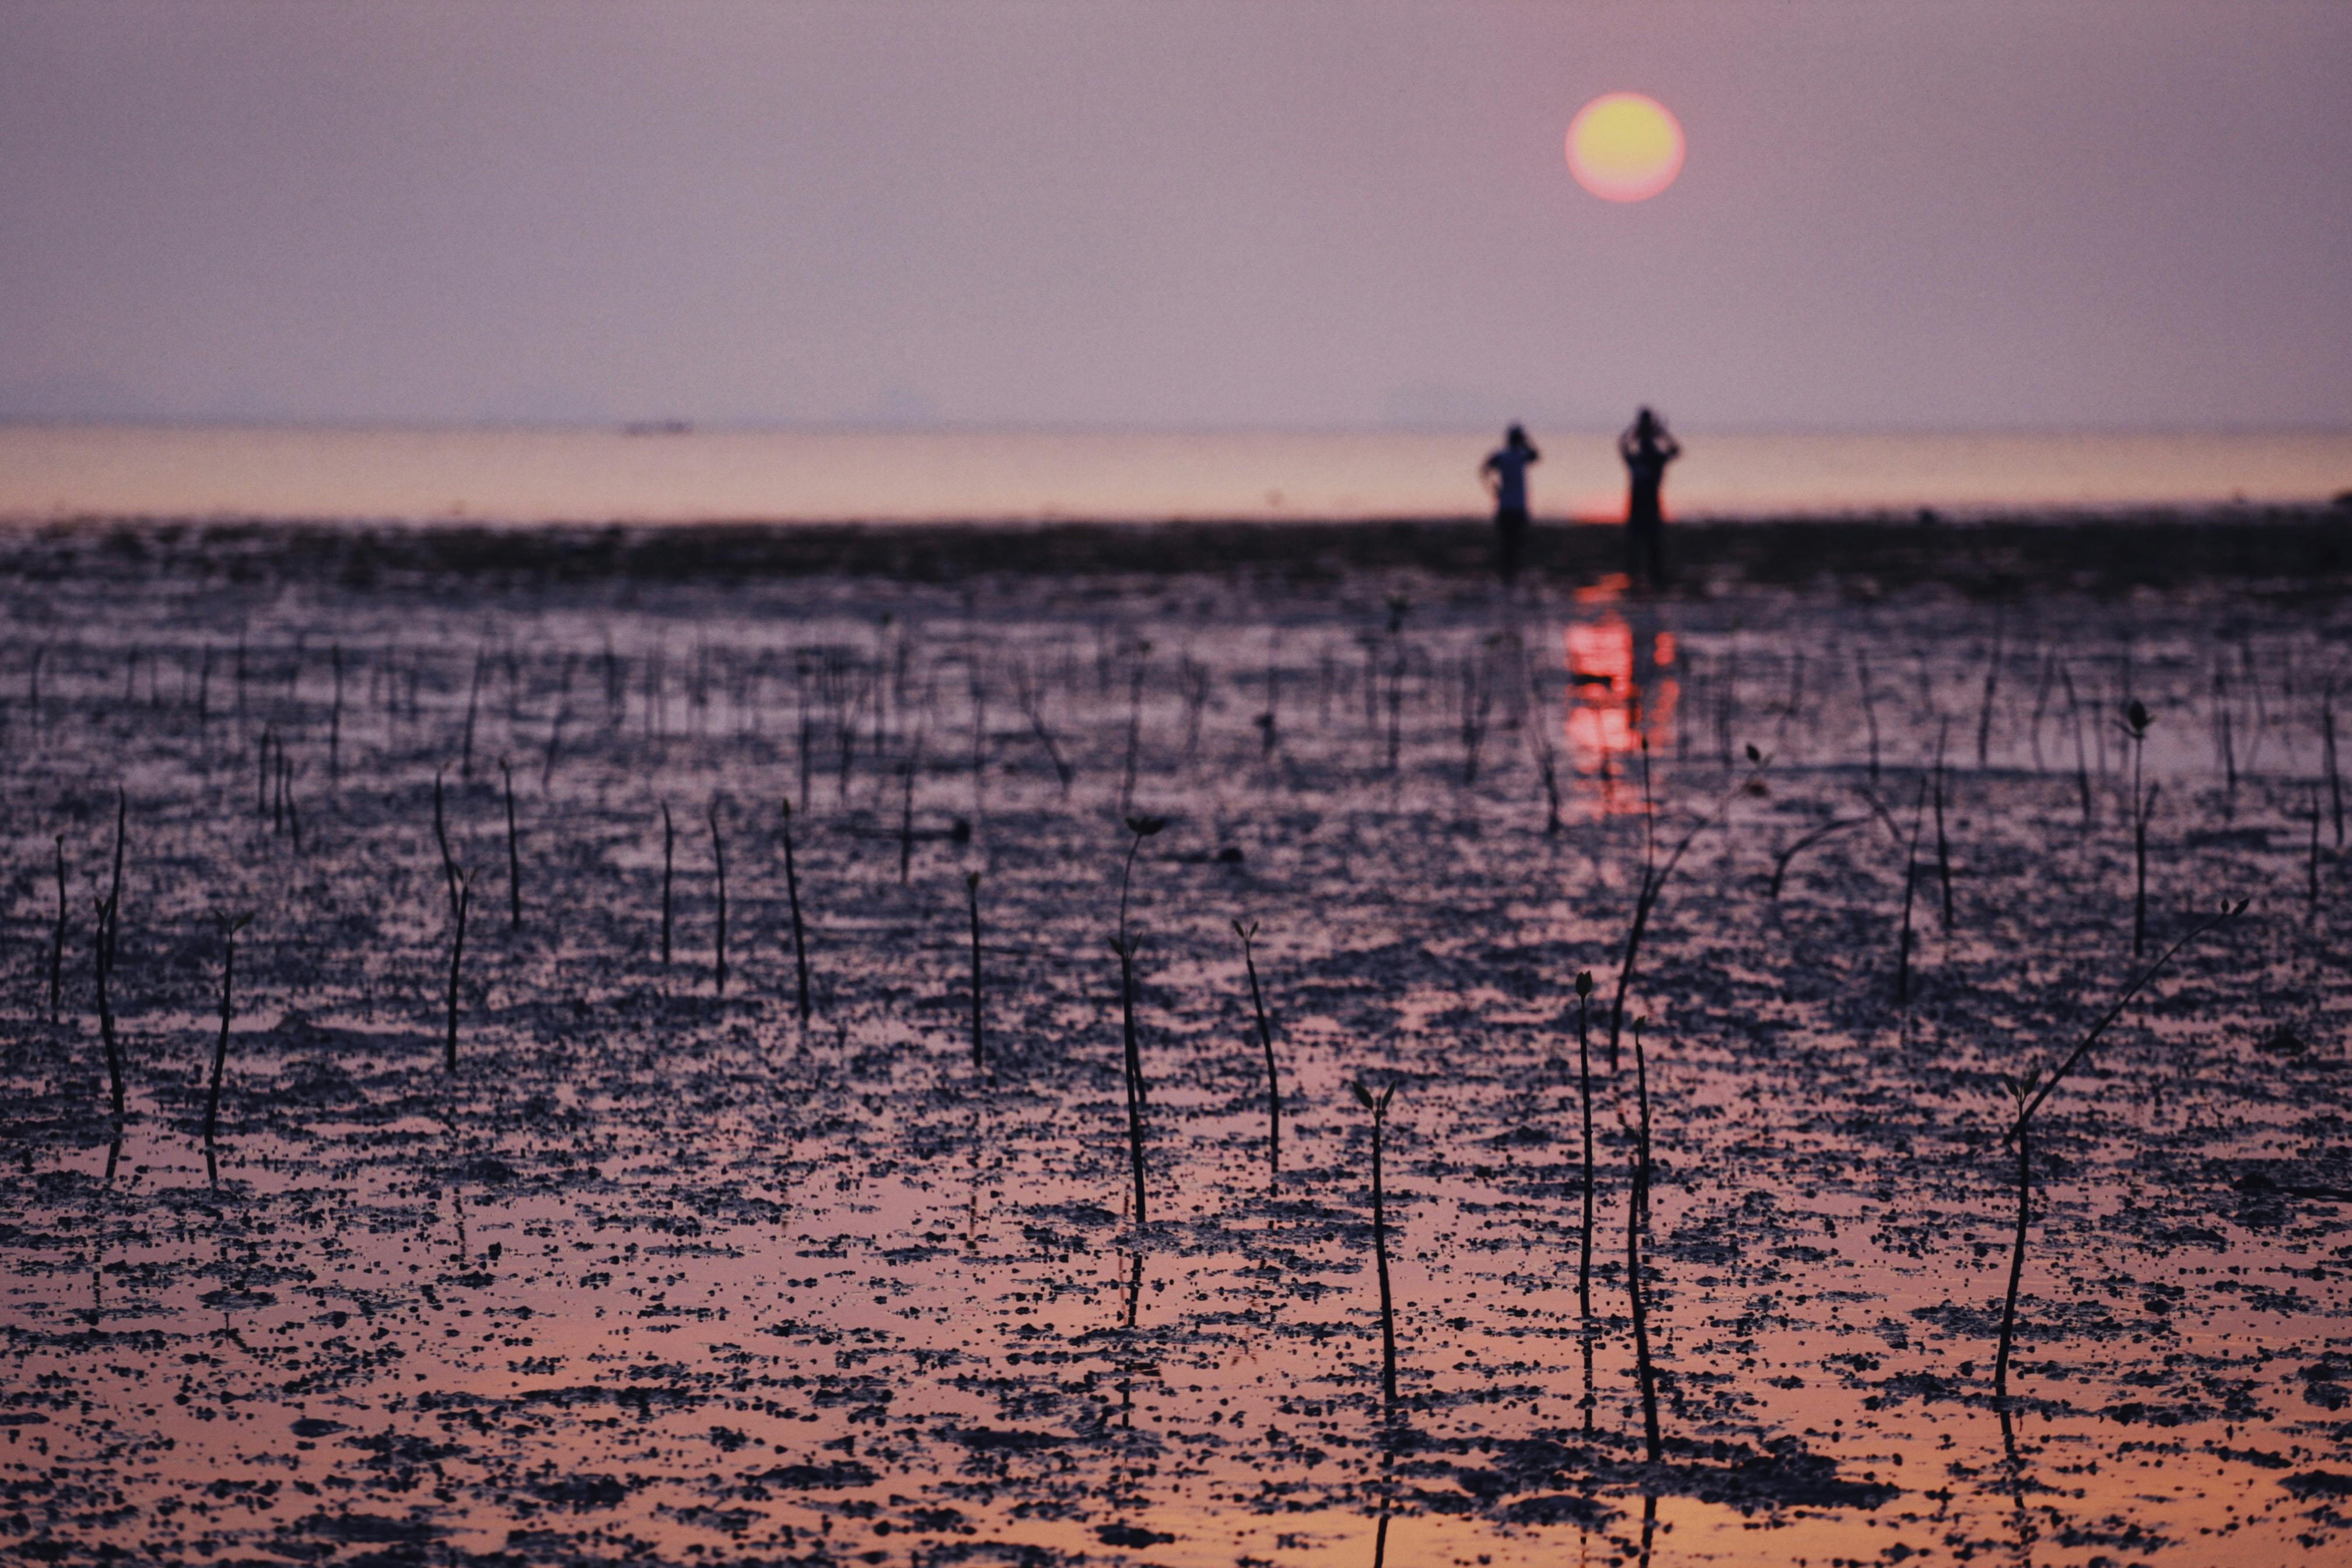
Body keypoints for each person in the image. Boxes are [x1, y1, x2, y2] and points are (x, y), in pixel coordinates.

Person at [1618, 407, 1681, 588]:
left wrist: (1660, 433)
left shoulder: (1652, 458)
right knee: (1641, 544)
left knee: (1648, 544)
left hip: (1648, 506)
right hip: (1641, 506)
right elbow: (1622, 447)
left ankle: (1649, 577)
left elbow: (1676, 451)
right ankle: (1639, 577)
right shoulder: (1642, 458)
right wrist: (1660, 434)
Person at [1480, 424, 1541, 583]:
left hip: (1507, 507)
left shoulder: (1502, 456)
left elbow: (1483, 470)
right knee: (1515, 542)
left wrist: (1493, 488)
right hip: (1516, 508)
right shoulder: (1519, 455)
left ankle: (1508, 575)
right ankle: (1510, 575)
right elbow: (1536, 455)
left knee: (1507, 542)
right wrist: (1527, 441)